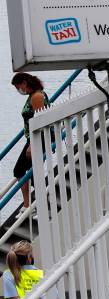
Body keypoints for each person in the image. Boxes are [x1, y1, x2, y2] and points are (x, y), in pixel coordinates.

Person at [11, 73, 47, 211]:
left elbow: (39, 120)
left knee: (21, 170)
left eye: (18, 86)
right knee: (26, 171)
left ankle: (31, 205)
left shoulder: (37, 96)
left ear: (25, 83)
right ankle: (30, 204)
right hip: (32, 138)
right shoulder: (32, 96)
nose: (18, 90)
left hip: (38, 138)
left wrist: (32, 144)